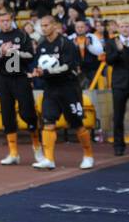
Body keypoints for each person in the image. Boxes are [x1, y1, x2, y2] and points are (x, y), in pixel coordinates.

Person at [31, 15, 95, 170]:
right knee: (48, 123)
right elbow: (39, 64)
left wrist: (46, 71)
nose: (44, 28)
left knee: (77, 123)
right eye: (42, 25)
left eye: (46, 25)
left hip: (69, 89)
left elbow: (68, 67)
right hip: (51, 89)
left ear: (54, 25)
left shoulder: (66, 44)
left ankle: (88, 155)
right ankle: (49, 159)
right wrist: (37, 71)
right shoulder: (41, 45)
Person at [0, 10, 39, 165]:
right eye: (2, 21)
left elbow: (31, 56)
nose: (5, 23)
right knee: (7, 115)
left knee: (28, 113)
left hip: (20, 78)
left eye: (7, 20)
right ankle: (13, 153)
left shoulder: (22, 35)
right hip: (4, 79)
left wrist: (15, 52)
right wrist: (2, 54)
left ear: (12, 20)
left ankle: (38, 148)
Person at [103, 21, 129, 157]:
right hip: (119, 84)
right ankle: (119, 146)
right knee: (118, 115)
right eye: (122, 26)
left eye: (127, 26)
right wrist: (120, 51)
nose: (125, 29)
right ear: (118, 28)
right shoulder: (111, 42)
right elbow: (109, 61)